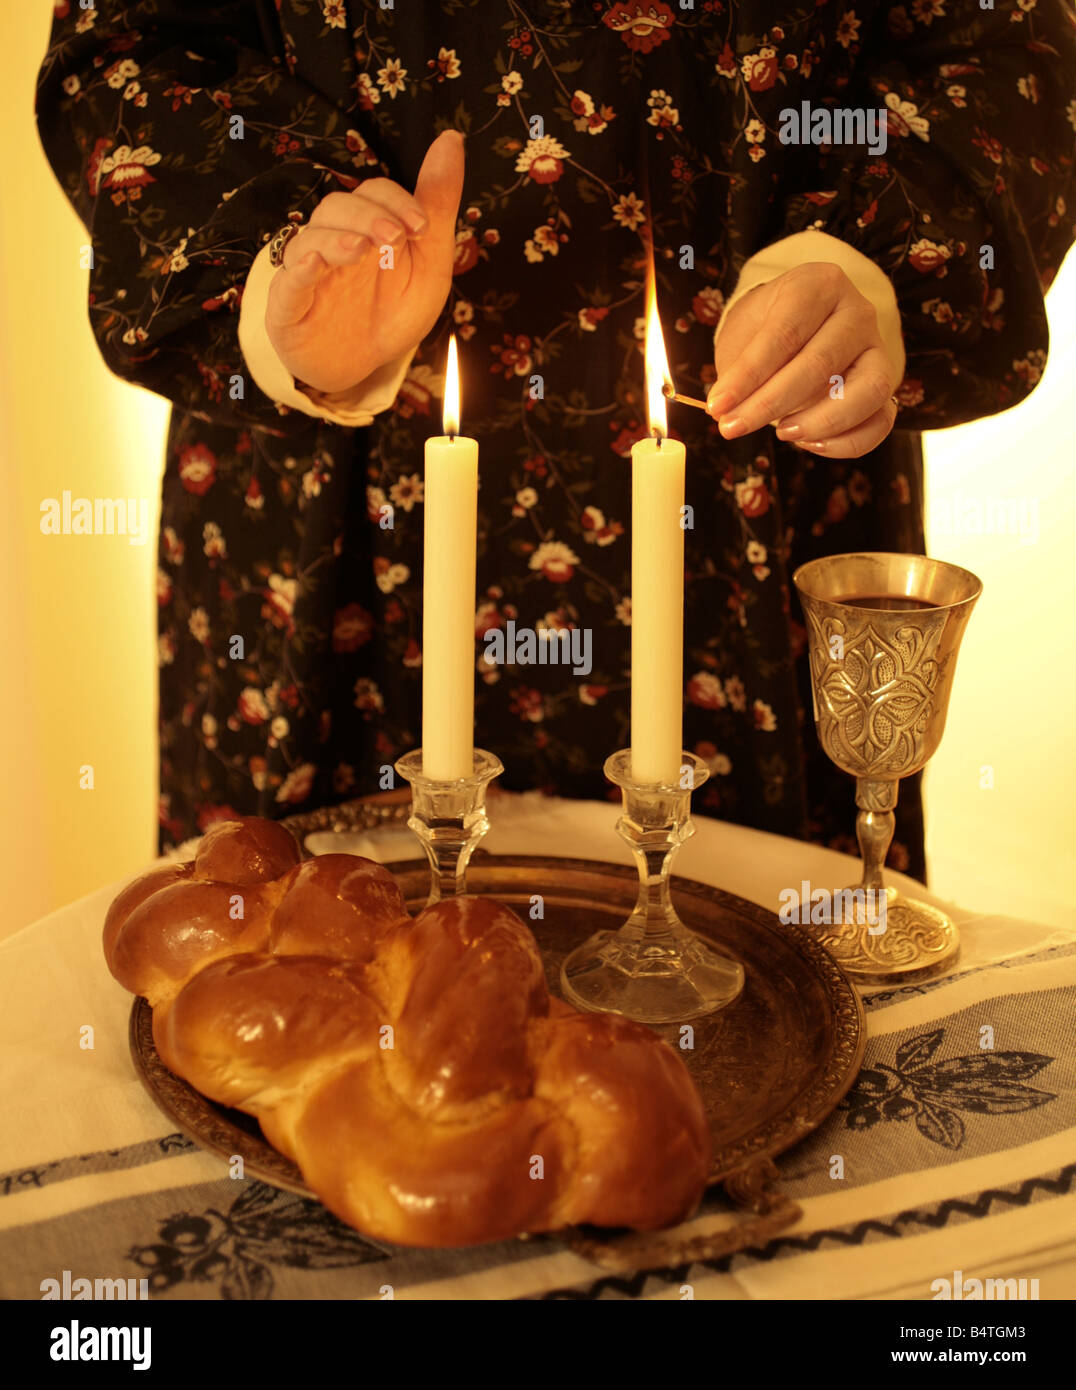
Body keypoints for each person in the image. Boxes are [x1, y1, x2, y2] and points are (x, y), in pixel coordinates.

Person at [37, 1, 1076, 881]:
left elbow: (1004, 38)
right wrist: (284, 269)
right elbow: (130, 40)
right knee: (313, 1011)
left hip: (763, 474)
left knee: (753, 1032)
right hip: (324, 538)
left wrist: (871, 259)